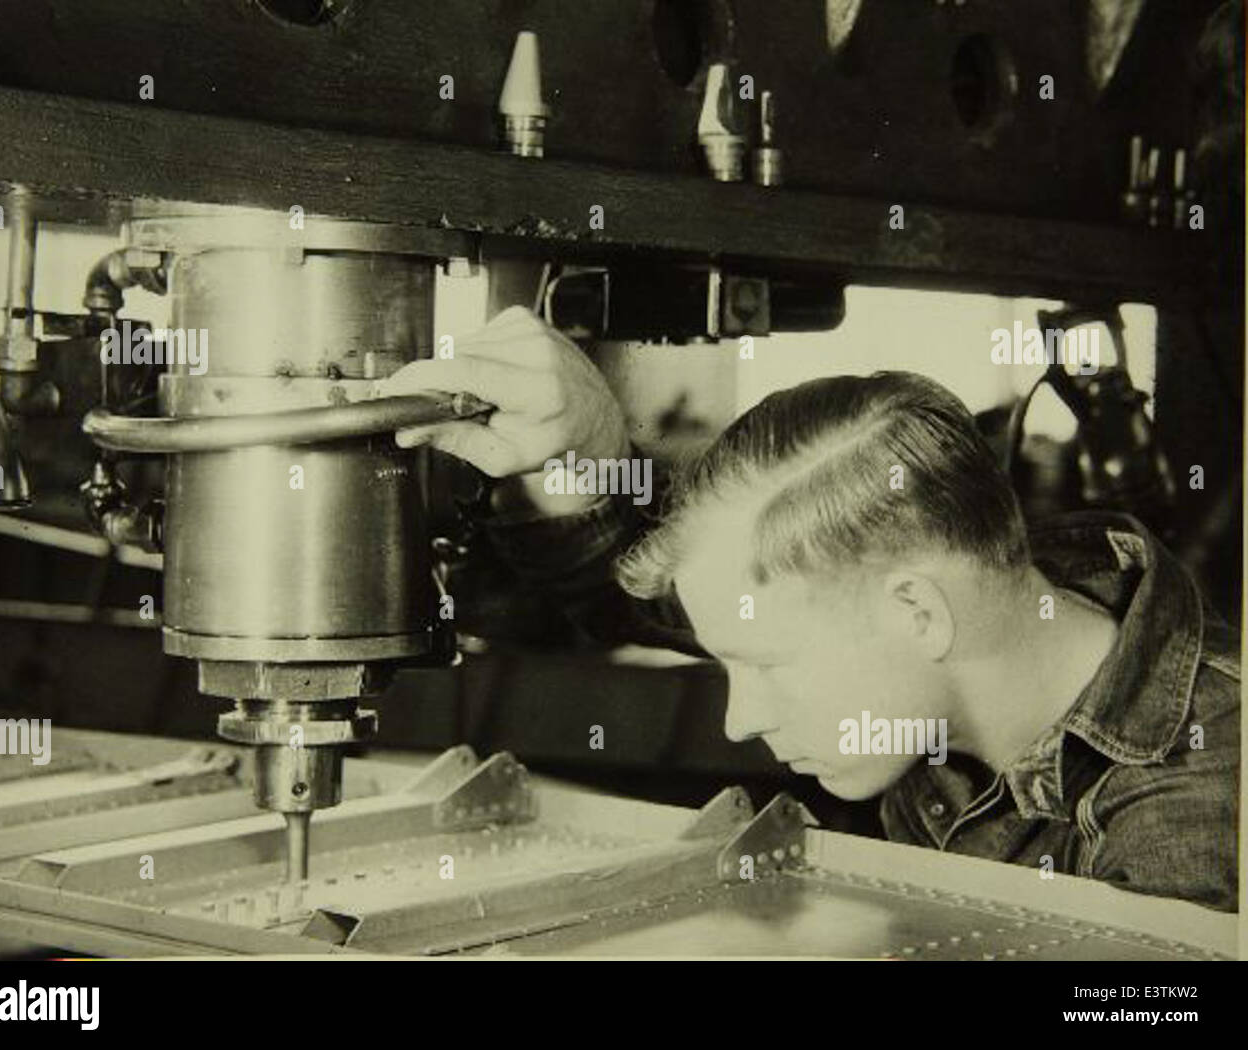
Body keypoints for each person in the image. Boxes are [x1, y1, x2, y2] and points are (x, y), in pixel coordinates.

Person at [386, 306, 1240, 912]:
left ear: (917, 612)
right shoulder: (989, 597)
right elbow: (641, 601)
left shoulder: (1201, 805)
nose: (739, 720)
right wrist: (584, 450)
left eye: (768, 664)